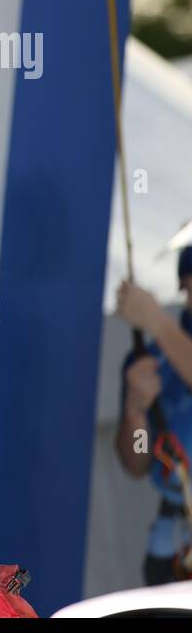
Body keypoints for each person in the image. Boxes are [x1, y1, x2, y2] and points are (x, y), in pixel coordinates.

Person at [114, 247, 192, 584]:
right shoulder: (150, 359)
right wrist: (136, 412)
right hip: (172, 547)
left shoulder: (163, 336)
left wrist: (157, 322)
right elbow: (138, 461)